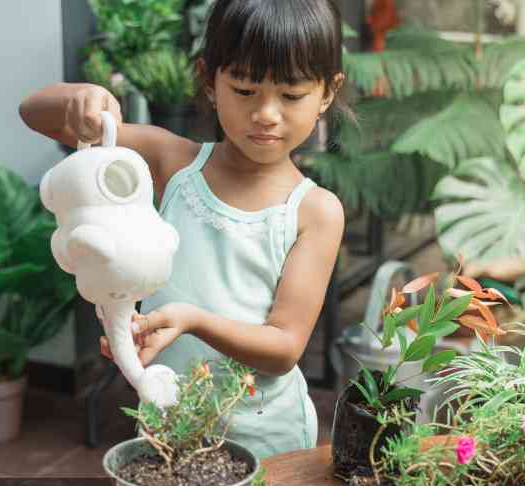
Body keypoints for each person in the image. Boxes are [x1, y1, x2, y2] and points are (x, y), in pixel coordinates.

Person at [19, 0, 348, 459]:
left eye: (291, 96)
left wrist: (191, 320)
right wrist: (82, 99)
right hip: (168, 426)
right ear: (209, 80)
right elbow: (34, 112)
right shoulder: (171, 162)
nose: (267, 113)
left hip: (266, 440)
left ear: (328, 92)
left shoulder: (315, 211)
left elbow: (284, 347)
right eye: (245, 89)